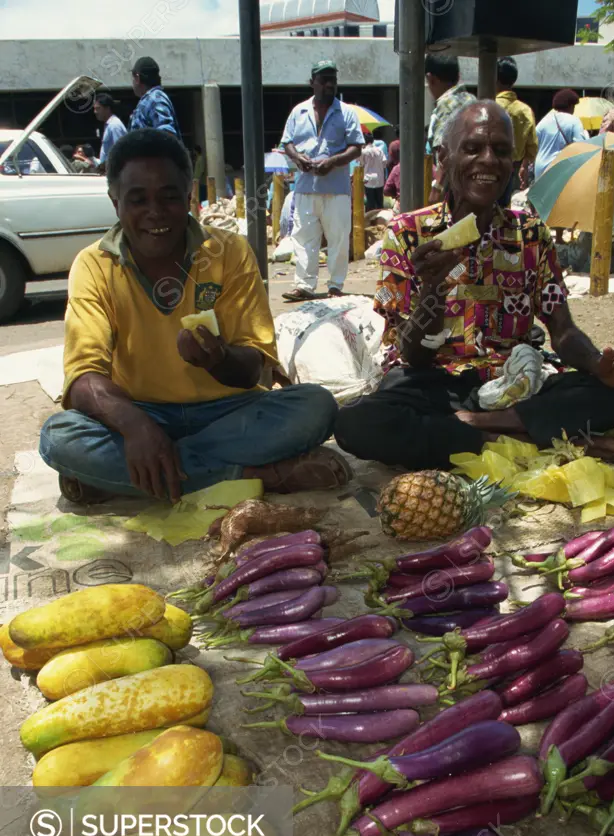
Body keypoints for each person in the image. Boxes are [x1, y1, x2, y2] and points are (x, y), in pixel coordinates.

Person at [334, 102, 614, 471]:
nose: (488, 161)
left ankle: (483, 428)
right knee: (357, 423)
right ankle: (517, 440)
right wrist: (432, 292)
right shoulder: (406, 235)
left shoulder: (530, 233)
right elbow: (412, 354)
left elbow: (562, 330)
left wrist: (599, 364)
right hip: (433, 384)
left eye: (500, 151)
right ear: (444, 157)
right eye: (473, 148)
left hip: (517, 383)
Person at [39, 129, 348, 505]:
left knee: (315, 407)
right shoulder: (94, 265)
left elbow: (253, 368)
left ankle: (124, 478)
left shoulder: (228, 251)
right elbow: (84, 376)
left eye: (170, 198)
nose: (156, 213)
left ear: (190, 197)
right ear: (115, 202)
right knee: (59, 436)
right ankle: (252, 475)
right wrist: (137, 427)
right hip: (139, 409)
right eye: (138, 200)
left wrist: (219, 359)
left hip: (227, 413)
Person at [280, 59, 364, 301]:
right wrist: (298, 158)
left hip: (336, 188)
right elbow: (287, 143)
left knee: (338, 237)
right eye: (324, 80)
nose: (329, 85)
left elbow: (357, 147)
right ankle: (304, 286)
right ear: (312, 83)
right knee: (304, 238)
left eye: (333, 80)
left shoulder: (346, 112)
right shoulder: (298, 111)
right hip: (305, 187)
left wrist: (332, 162)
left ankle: (335, 285)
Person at [426, 54, 475, 201]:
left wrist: (437, 189)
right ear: (458, 76)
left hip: (456, 189)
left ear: (430, 78)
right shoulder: (473, 100)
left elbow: (445, 151)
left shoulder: (446, 105)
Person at [495, 56, 537, 192]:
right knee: (503, 210)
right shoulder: (525, 110)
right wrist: (524, 165)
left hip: (486, 168)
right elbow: (532, 148)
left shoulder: (487, 105)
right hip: (511, 169)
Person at [534, 90, 589, 179]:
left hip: (540, 169)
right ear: (571, 106)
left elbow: (534, 144)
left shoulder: (544, 121)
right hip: (560, 169)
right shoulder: (574, 121)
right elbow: (581, 146)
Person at [129, 56, 180, 136]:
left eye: (133, 78)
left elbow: (166, 135)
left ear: (137, 78)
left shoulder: (155, 99)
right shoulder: (150, 100)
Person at [94, 92, 127, 169]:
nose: (95, 112)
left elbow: (120, 152)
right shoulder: (108, 125)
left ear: (107, 108)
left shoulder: (114, 125)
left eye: (98, 108)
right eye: (94, 109)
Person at [360, 130, 387, 211]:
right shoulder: (380, 150)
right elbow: (384, 164)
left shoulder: (363, 152)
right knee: (379, 203)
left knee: (370, 203)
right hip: (379, 179)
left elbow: (361, 164)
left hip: (368, 180)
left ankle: (370, 222)